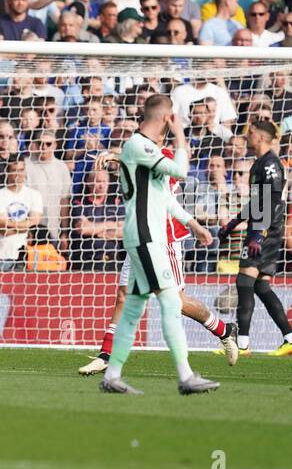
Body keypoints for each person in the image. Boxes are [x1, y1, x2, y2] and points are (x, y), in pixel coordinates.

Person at [78, 146, 240, 375]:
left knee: (177, 302)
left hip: (165, 239)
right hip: (140, 236)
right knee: (123, 296)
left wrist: (116, 157)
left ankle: (225, 330)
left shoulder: (167, 157)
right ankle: (106, 354)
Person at [100, 95, 219, 395]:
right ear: (167, 117)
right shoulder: (138, 146)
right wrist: (180, 134)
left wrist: (193, 225)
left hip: (147, 234)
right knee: (170, 301)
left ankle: (112, 375)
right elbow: (181, 170)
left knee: (133, 307)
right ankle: (186, 376)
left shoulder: (144, 149)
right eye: (173, 118)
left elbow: (164, 197)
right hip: (144, 235)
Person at [220, 120, 292, 356]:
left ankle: (241, 344)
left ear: (261, 137)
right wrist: (234, 223)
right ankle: (291, 339)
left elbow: (272, 201)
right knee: (261, 286)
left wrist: (258, 234)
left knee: (244, 282)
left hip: (266, 232)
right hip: (261, 229)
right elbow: (257, 202)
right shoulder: (259, 163)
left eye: (250, 133)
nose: (247, 137)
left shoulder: (270, 164)